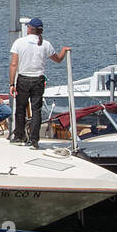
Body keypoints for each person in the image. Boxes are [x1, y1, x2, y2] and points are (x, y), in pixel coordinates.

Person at [8, 18, 71, 148]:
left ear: (29, 28)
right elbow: (58, 59)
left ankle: (19, 136)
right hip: (38, 80)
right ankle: (34, 140)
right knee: (36, 110)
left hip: (23, 79)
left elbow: (13, 64)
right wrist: (64, 50)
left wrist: (11, 84)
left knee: (20, 109)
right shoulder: (46, 44)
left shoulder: (19, 42)